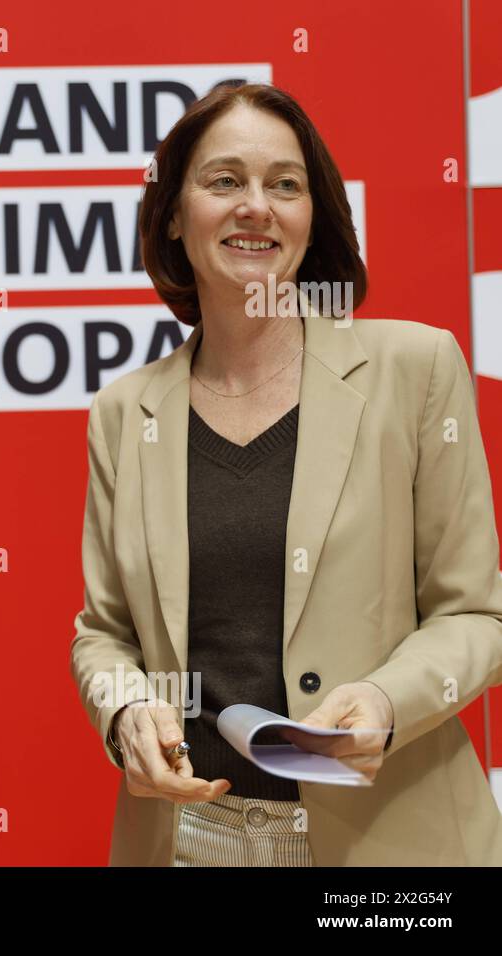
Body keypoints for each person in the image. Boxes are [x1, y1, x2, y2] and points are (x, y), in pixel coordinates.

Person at [71, 82, 502, 866]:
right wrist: (126, 710)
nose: (256, 207)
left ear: (314, 216)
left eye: (285, 185)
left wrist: (384, 702)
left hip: (390, 851)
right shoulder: (123, 412)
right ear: (173, 212)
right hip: (190, 844)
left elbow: (476, 617)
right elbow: (104, 636)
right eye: (224, 180)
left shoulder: (418, 369)